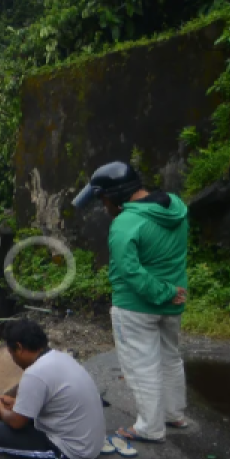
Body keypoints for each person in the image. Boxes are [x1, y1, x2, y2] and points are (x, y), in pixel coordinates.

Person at [73, 161, 189, 443]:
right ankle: (174, 413)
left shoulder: (125, 223)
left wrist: (161, 292)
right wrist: (169, 293)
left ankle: (150, 427)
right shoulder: (174, 207)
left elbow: (129, 271)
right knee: (170, 357)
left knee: (141, 365)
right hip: (173, 301)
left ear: (114, 195)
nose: (103, 206)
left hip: (136, 307)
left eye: (102, 199)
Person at [0, 319, 106, 459]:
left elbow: (17, 423)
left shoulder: (34, 374)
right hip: (91, 441)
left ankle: (1, 448)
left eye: (12, 354)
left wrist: (0, 410)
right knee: (7, 427)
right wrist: (16, 404)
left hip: (73, 451)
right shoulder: (59, 357)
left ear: (19, 347)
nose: (14, 360)